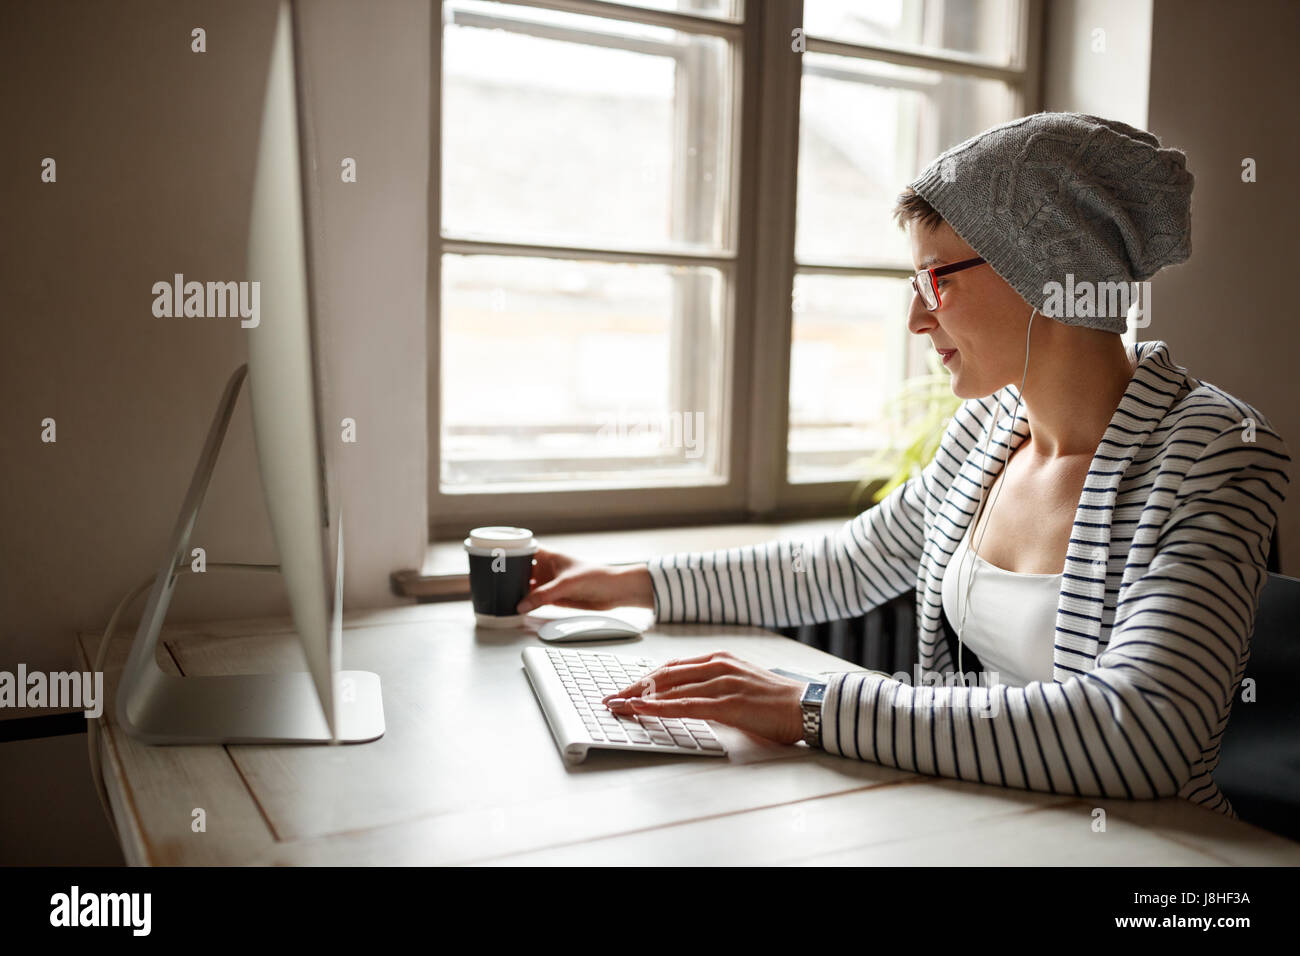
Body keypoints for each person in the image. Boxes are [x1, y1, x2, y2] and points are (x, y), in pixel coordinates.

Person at [514, 112, 1292, 818]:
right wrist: (630, 582)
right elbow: (845, 564)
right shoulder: (991, 427)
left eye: (935, 279)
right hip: (976, 816)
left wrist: (812, 705)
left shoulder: (1217, 454)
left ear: (1043, 268)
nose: (915, 317)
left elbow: (1142, 731)